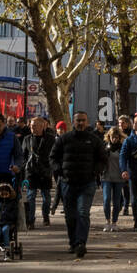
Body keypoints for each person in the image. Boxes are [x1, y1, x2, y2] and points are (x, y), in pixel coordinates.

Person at [49, 110, 108, 258]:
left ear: (87, 122)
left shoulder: (94, 140)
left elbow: (103, 159)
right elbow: (53, 157)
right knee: (70, 216)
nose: (80, 123)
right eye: (78, 120)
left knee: (82, 213)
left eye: (83, 120)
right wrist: (59, 170)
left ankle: (81, 243)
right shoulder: (64, 139)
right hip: (67, 183)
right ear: (73, 122)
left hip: (87, 183)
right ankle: (73, 242)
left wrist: (95, 172)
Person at [20, 116, 57, 228]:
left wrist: (51, 167)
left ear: (42, 126)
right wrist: (24, 166)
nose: (32, 128)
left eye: (35, 126)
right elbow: (23, 155)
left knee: (46, 197)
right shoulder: (27, 139)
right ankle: (31, 220)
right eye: (31, 126)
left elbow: (54, 155)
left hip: (45, 171)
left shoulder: (51, 139)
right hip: (31, 172)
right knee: (31, 196)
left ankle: (45, 216)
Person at [102, 125, 125, 232]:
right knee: (106, 200)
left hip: (119, 178)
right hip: (106, 177)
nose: (114, 139)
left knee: (116, 202)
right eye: (112, 137)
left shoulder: (122, 147)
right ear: (109, 137)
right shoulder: (105, 147)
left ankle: (114, 222)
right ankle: (107, 221)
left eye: (116, 137)